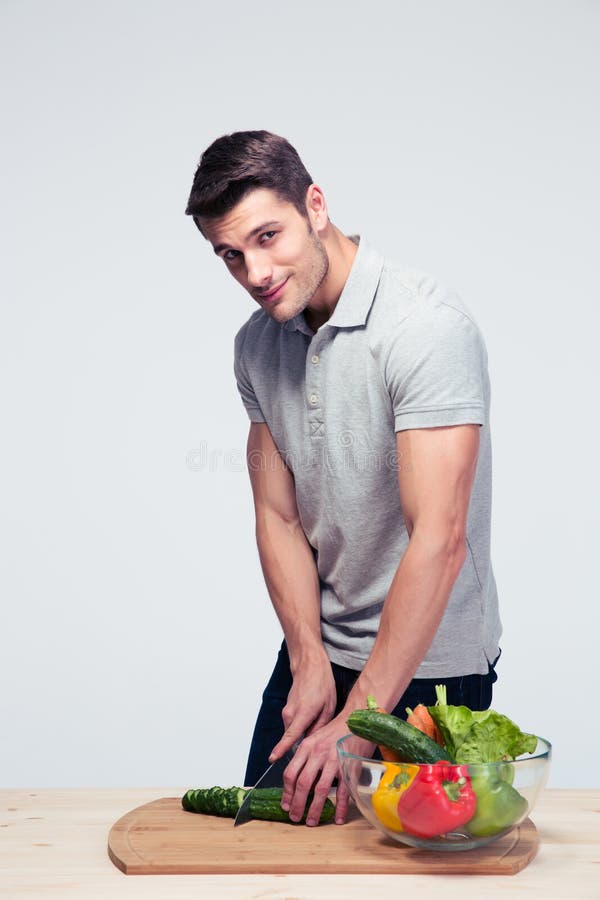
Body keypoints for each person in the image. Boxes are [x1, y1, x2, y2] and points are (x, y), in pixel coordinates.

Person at [185, 130, 502, 827]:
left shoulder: (425, 327)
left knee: (387, 878)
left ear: (317, 206)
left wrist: (366, 718)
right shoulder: (256, 346)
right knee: (257, 858)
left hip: (431, 668)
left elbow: (440, 539)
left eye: (270, 236)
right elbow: (279, 516)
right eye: (231, 255)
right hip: (322, 656)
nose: (256, 271)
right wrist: (306, 657)